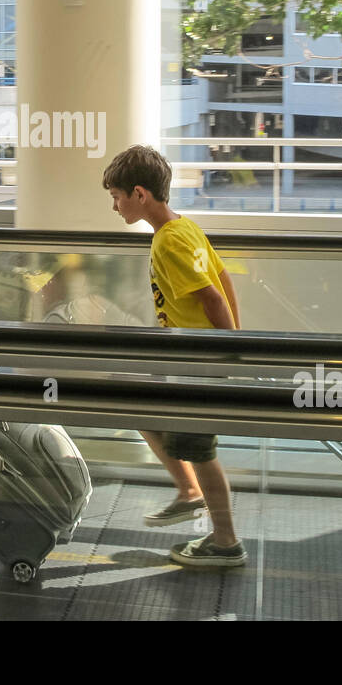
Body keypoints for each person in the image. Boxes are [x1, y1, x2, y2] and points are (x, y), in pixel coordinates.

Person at [102, 144, 246, 568]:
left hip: (197, 360)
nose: (115, 206)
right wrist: (237, 338)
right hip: (186, 355)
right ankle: (188, 493)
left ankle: (226, 543)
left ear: (140, 194)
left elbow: (211, 297)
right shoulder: (184, 228)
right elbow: (221, 279)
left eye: (117, 196)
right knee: (132, 397)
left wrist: (231, 348)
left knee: (200, 449)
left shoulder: (169, 243)